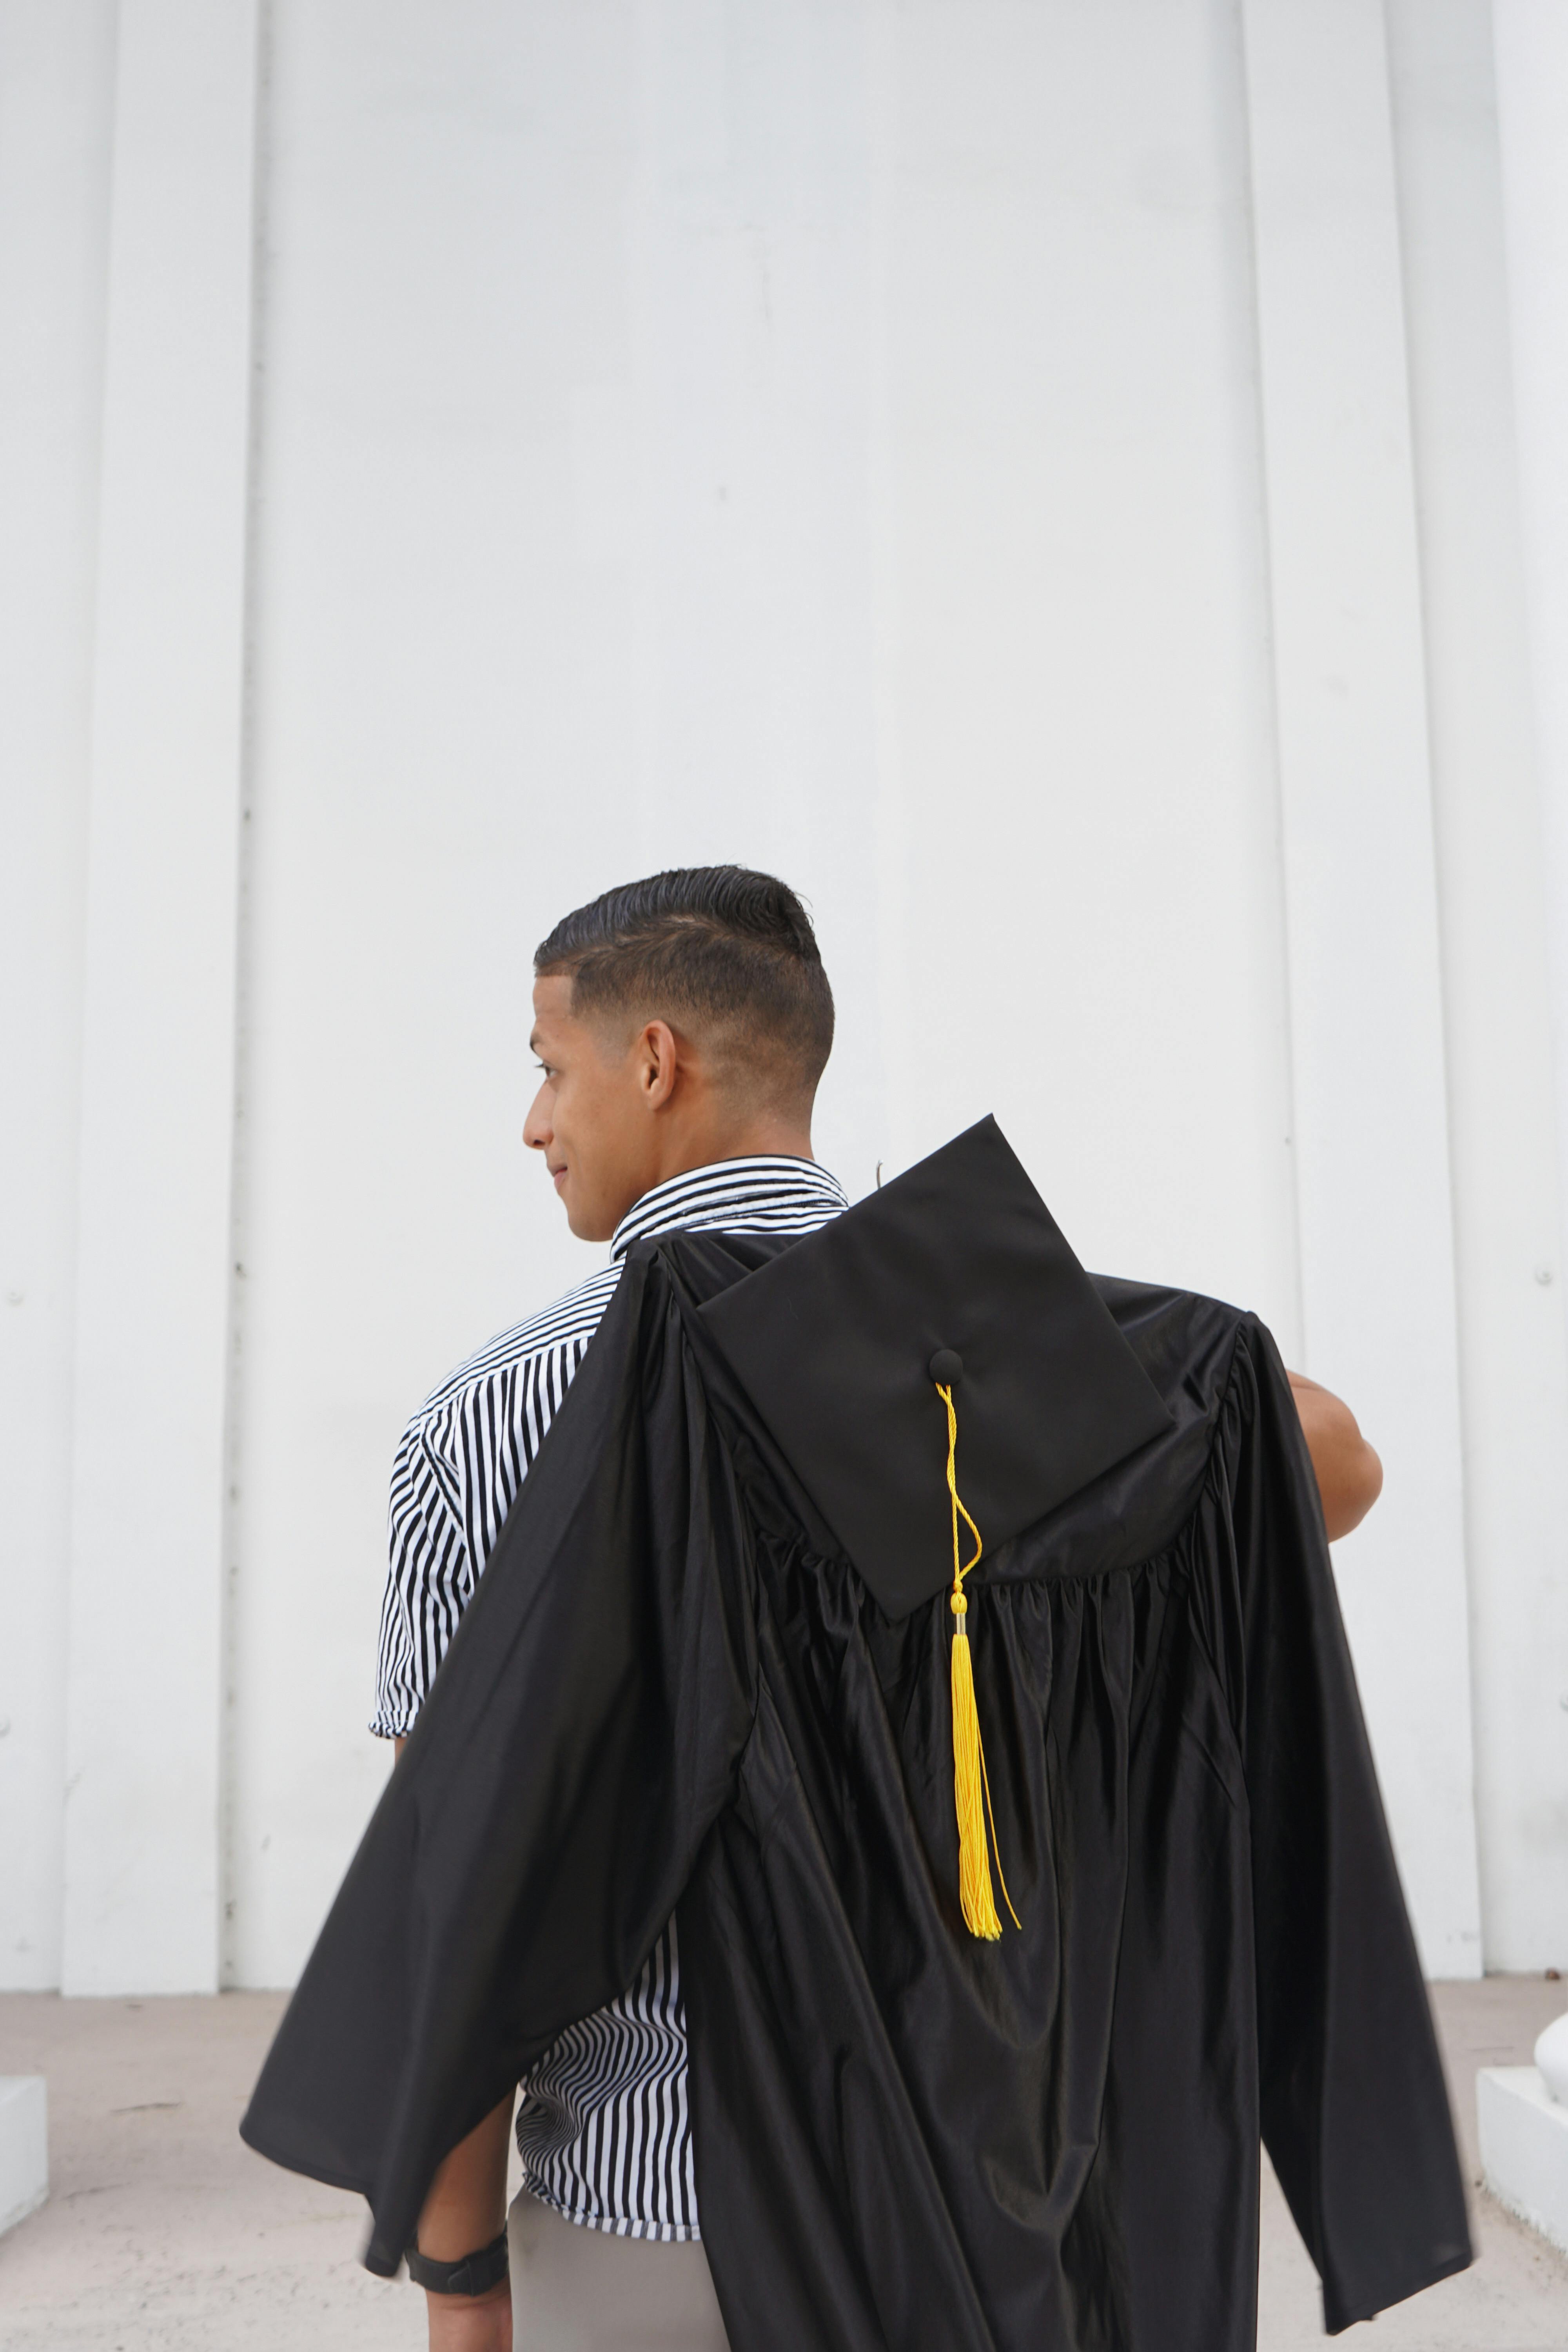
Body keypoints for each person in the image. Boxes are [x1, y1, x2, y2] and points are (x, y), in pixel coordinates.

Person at [343, 866, 1388, 2352]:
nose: (534, 1123)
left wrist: (460, 2294)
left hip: (660, 2235)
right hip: (1007, 2225)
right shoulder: (981, 1362)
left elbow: (452, 1916)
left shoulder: (497, 1418)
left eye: (547, 1070)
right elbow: (1339, 1462)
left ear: (655, 1063)